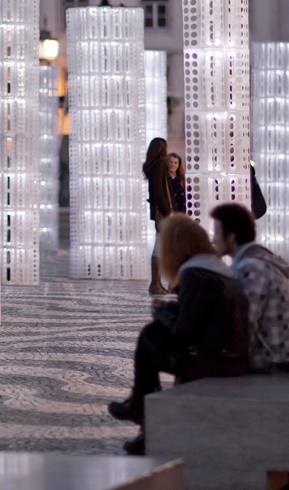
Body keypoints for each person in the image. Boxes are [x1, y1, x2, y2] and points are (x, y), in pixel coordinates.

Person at [107, 214, 250, 454]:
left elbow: (185, 333)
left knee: (150, 337)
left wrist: (163, 314)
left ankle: (141, 412)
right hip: (235, 356)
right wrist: (174, 310)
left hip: (215, 361)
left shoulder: (194, 273)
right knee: (153, 334)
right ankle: (140, 410)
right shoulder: (216, 268)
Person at [210, 203, 289, 374]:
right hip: (282, 357)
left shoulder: (252, 267)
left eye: (217, 232)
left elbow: (243, 323)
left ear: (232, 237)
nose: (213, 239)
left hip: (275, 362)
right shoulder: (256, 260)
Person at [143, 138, 174, 295]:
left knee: (161, 245)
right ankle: (155, 283)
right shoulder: (159, 166)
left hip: (162, 211)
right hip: (163, 212)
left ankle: (157, 283)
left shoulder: (156, 165)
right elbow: (159, 192)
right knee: (160, 246)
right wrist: (168, 211)